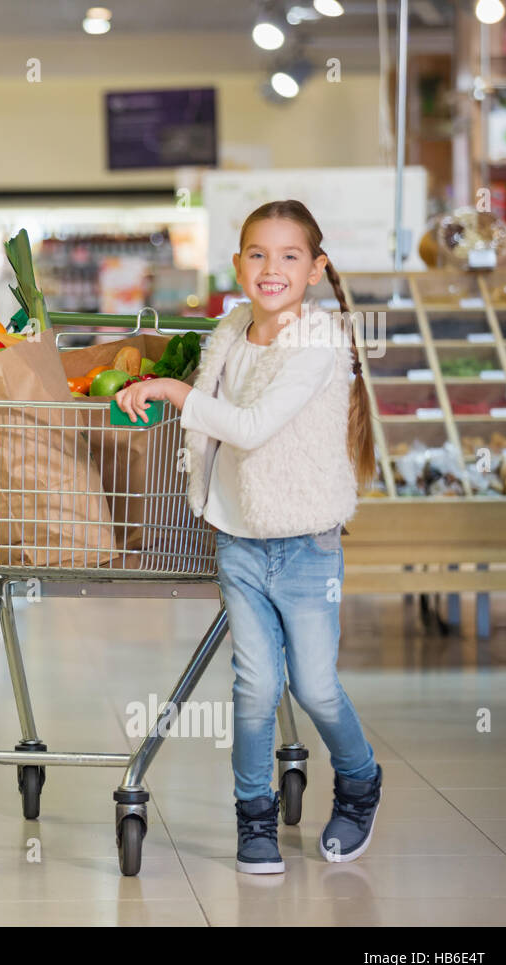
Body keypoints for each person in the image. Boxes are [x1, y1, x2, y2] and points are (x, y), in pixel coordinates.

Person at [116, 199, 382, 874]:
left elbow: (254, 425)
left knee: (315, 687)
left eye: (290, 256)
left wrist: (173, 392)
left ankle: (359, 783)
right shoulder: (231, 330)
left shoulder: (318, 342)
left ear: (316, 270)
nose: (272, 268)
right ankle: (254, 818)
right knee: (255, 686)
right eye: (257, 254)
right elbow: (213, 431)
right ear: (237, 264)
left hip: (305, 541)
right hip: (237, 537)